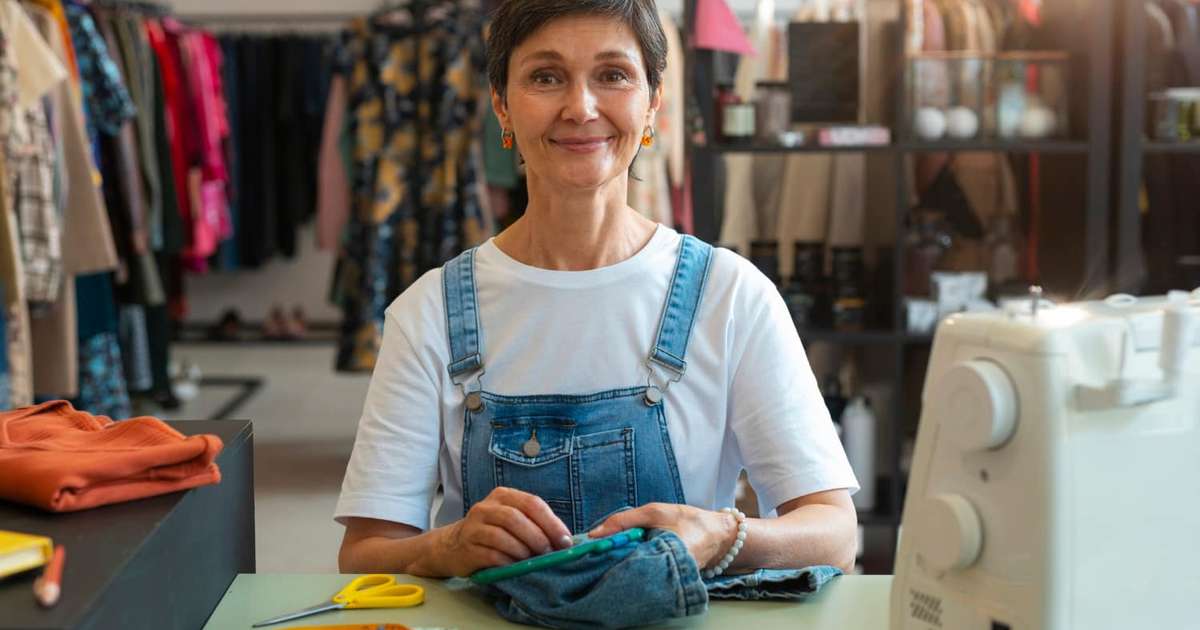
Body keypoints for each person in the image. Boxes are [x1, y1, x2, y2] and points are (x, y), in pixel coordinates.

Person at [336, 0, 859, 579]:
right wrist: (445, 547)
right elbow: (365, 553)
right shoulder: (429, 312)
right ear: (501, 105)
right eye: (545, 77)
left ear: (653, 101)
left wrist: (722, 534)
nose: (580, 108)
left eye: (613, 75)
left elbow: (835, 535)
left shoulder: (732, 296)